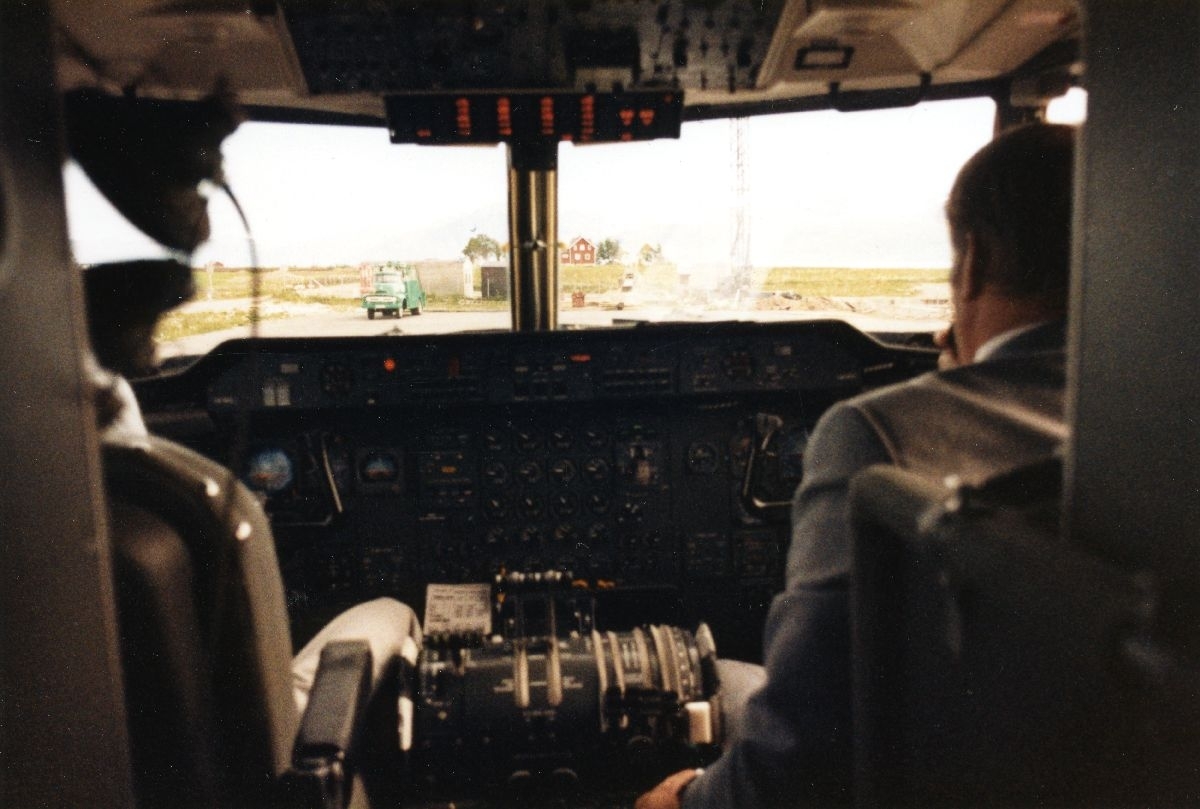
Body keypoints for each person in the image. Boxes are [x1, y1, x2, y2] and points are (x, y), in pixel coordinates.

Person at [637, 122, 1076, 809]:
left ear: (975, 263)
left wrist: (684, 800)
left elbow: (800, 750)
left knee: (724, 680)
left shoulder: (878, 433)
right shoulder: (1155, 424)